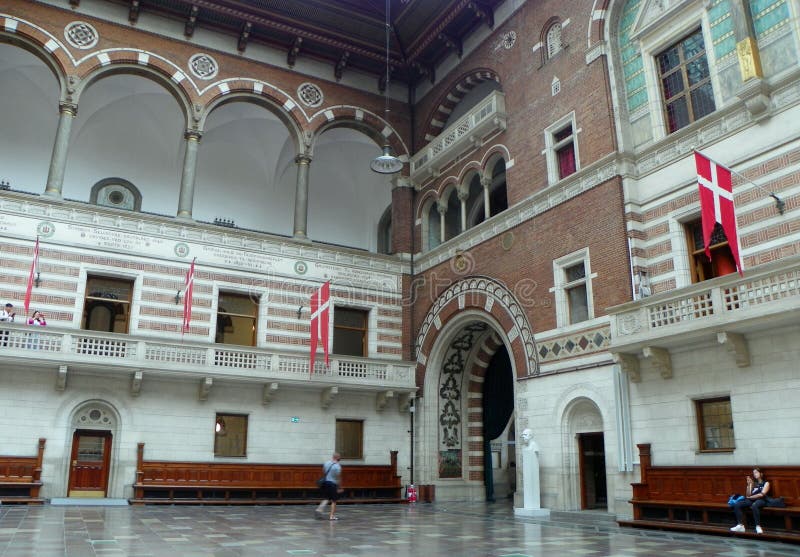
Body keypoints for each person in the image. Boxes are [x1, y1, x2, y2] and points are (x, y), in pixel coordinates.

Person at [731, 467, 770, 534]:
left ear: (761, 473)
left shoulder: (766, 483)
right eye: (754, 473)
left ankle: (758, 526)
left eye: (756, 472)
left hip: (761, 500)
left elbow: (762, 494)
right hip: (751, 499)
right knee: (737, 504)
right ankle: (740, 525)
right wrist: (749, 485)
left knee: (754, 505)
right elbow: (748, 494)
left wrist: (751, 497)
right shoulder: (754, 483)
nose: (755, 474)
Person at [315, 452, 342, 521]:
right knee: (334, 500)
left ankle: (319, 509)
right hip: (333, 484)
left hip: (325, 483)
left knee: (326, 498)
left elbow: (324, 471)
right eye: (340, 457)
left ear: (333, 457)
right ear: (338, 458)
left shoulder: (326, 463)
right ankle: (331, 516)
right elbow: (338, 477)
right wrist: (339, 487)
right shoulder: (338, 466)